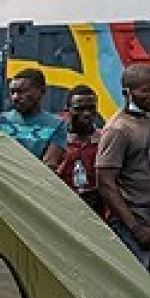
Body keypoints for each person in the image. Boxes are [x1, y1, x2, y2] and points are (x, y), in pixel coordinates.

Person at [97, 62, 150, 269]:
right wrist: (136, 228)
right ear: (127, 93)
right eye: (145, 91)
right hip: (135, 227)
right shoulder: (118, 129)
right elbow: (106, 183)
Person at [0, 68, 67, 168]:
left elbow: (49, 165)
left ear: (41, 91)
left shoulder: (57, 125)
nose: (15, 97)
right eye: (12, 92)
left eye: (22, 92)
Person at [55, 85, 105, 216]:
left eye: (91, 108)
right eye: (80, 109)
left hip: (97, 210)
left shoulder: (104, 139)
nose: (87, 114)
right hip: (62, 206)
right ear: (68, 110)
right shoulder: (56, 140)